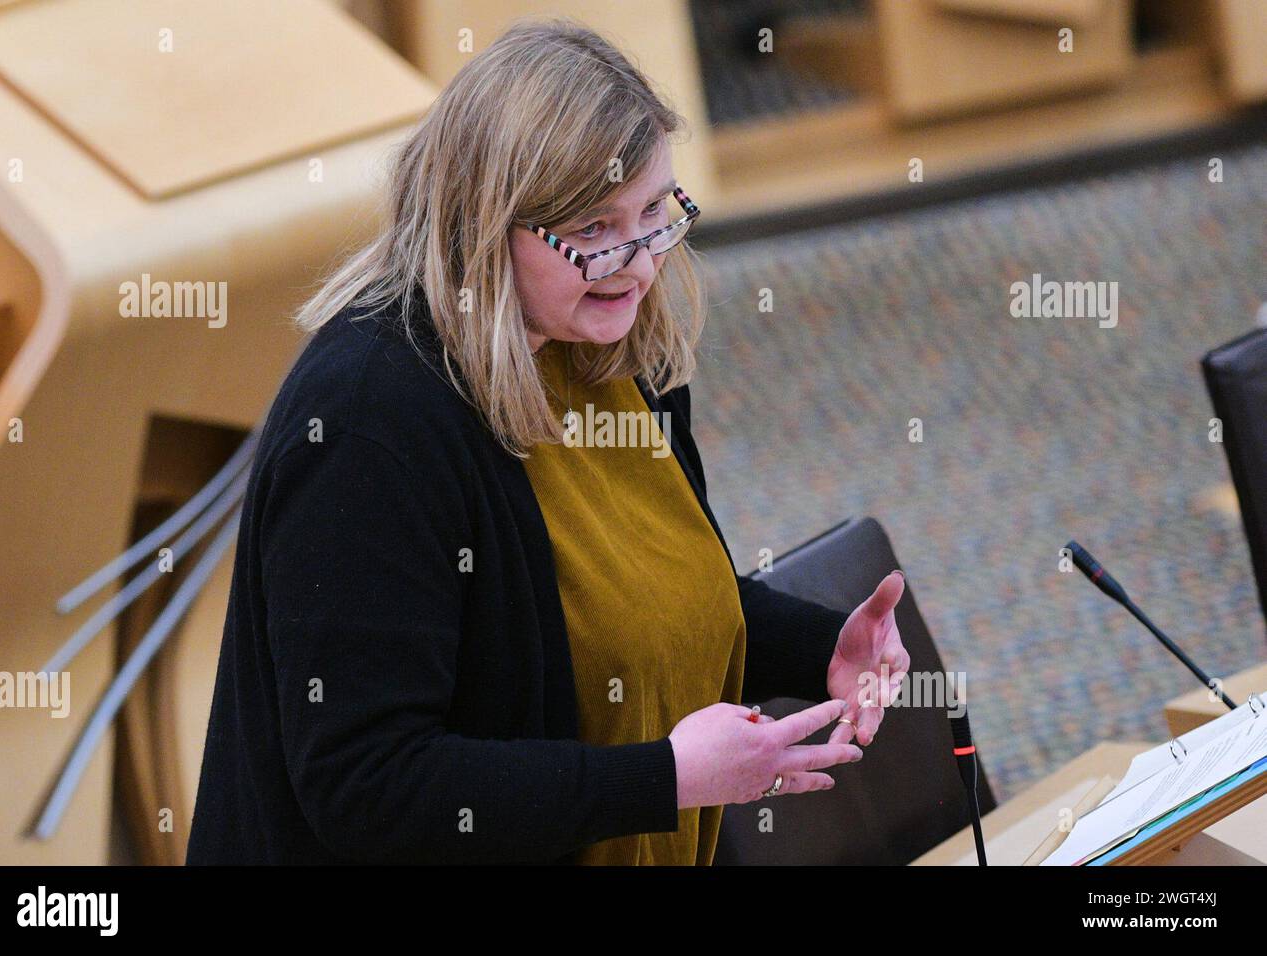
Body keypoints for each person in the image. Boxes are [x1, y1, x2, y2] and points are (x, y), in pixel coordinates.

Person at [186, 16, 909, 866]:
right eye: (593, 231)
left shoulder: (607, 343)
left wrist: (821, 646)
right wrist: (664, 779)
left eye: (654, 213)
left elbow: (639, 597)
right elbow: (368, 785)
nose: (637, 264)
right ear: (485, 222)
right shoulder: (364, 427)